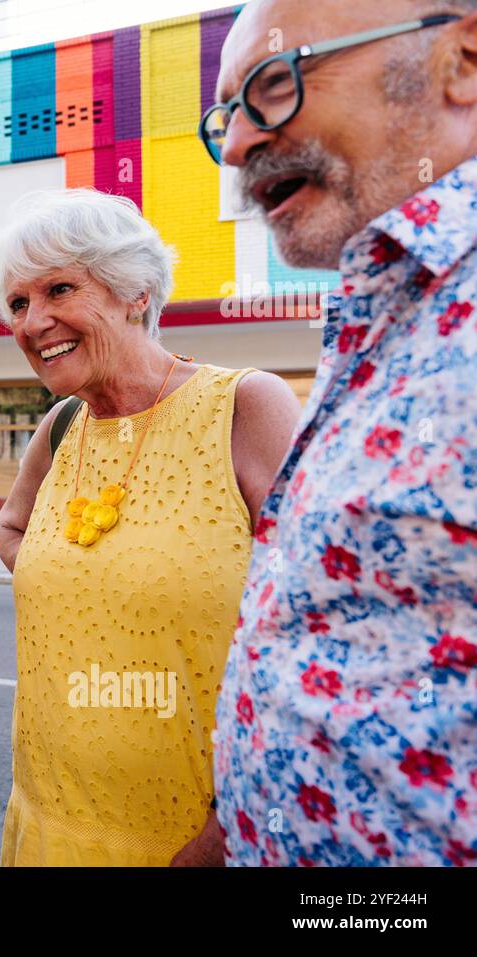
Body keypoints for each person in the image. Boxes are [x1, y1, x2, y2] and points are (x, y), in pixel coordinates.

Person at [205, 0, 477, 866]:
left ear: (462, 61)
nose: (240, 144)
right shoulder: (384, 311)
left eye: (274, 86)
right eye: (225, 119)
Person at [0, 188, 301, 866]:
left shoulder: (246, 405)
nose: (34, 321)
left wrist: (231, 826)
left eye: (59, 288)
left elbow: (316, 627)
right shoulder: (62, 424)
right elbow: (12, 526)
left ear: (135, 291)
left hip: (195, 836)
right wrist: (77, 570)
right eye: (17, 303)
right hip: (47, 820)